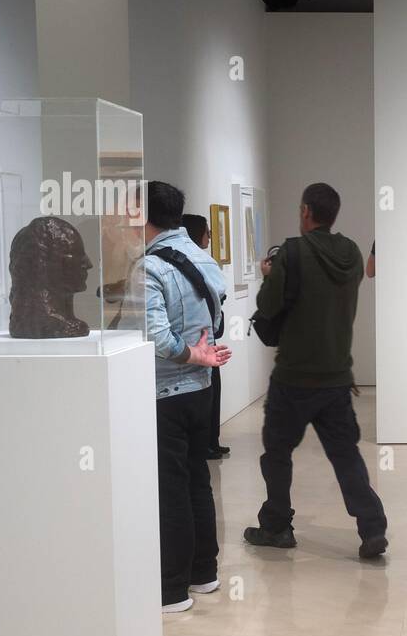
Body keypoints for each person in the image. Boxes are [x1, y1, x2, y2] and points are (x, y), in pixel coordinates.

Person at [244, 182, 388, 557]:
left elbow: (268, 304)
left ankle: (276, 525)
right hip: (337, 377)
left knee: (277, 453)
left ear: (306, 211)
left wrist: (268, 275)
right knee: (346, 455)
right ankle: (372, 528)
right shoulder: (352, 253)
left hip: (293, 377)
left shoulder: (293, 251)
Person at [143, 182, 232, 613]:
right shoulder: (202, 256)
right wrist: (203, 353)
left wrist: (188, 352)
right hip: (202, 388)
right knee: (198, 479)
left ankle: (172, 590)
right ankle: (205, 572)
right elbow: (216, 313)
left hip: (166, 391)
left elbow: (157, 336)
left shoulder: (149, 268)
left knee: (170, 488)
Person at [181, 213, 230, 461]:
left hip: (204, 341)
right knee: (206, 397)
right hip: (197, 343)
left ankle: (212, 440)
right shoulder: (199, 266)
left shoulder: (199, 264)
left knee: (212, 394)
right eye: (207, 232)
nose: (210, 237)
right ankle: (207, 443)